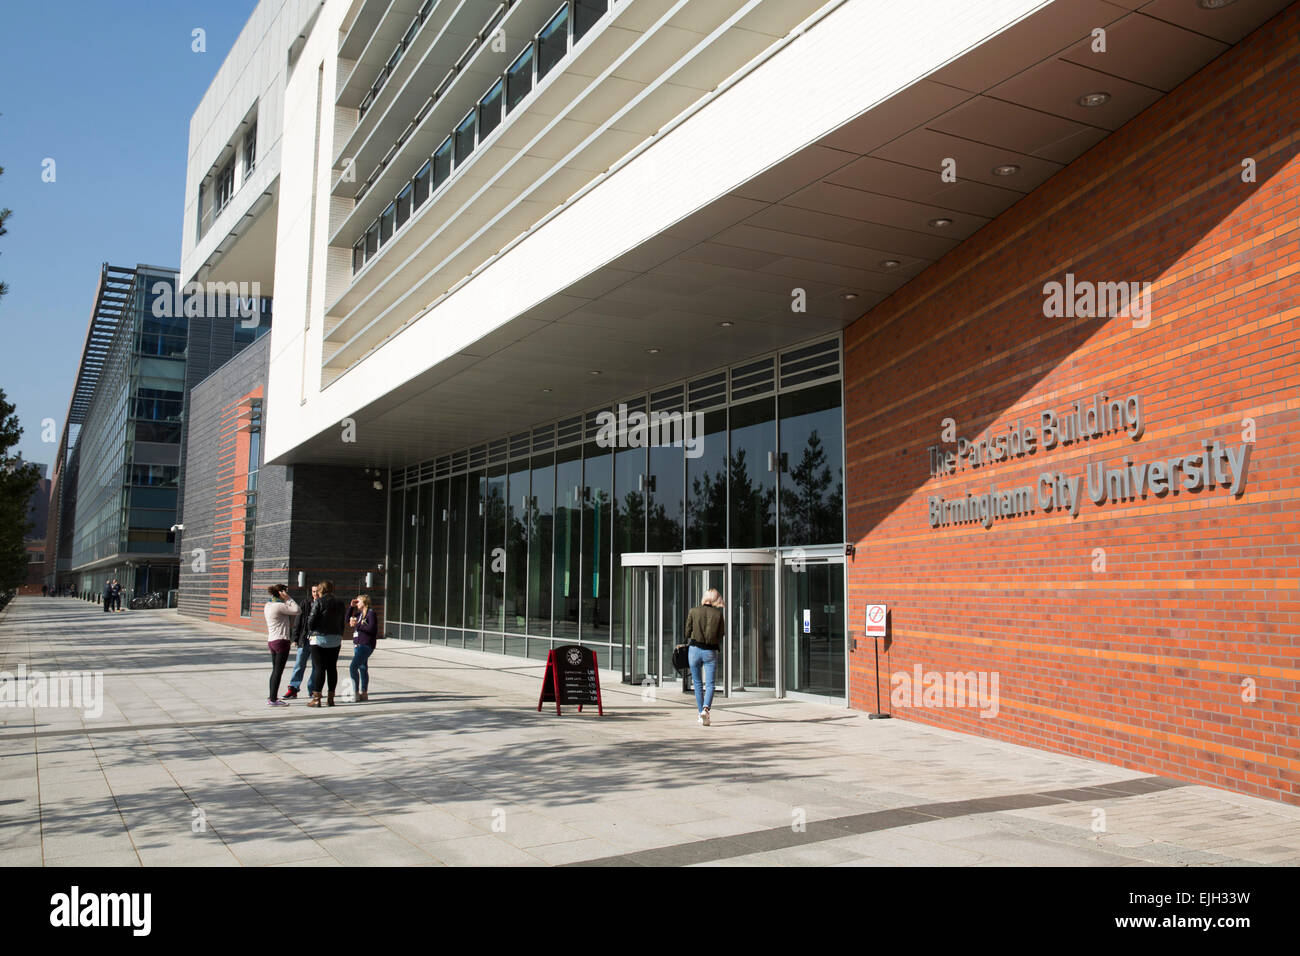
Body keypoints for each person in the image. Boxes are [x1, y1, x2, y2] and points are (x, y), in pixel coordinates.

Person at [684, 588, 725, 726]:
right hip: (710, 651)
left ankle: (700, 712)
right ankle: (706, 709)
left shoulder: (693, 611)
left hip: (694, 650)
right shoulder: (718, 615)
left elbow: (687, 631)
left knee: (697, 684)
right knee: (710, 684)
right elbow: (720, 635)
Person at [306, 580, 347, 707]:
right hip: (335, 638)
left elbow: (311, 621)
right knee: (332, 668)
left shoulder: (319, 601)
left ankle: (317, 698)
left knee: (319, 668)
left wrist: (312, 629)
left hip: (319, 639)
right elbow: (342, 621)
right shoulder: (340, 602)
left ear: (321, 590)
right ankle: (331, 698)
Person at [263, 584, 300, 707]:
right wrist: (288, 598)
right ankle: (273, 699)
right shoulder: (279, 606)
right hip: (281, 641)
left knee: (275, 671)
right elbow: (297, 610)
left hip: (272, 641)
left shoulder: (268, 605)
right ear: (281, 593)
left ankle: (272, 696)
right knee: (278, 672)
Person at [283, 585, 319, 699]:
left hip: (317, 640)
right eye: (313, 591)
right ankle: (293, 688)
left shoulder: (323, 604)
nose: (315, 594)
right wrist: (295, 638)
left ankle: (312, 689)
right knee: (299, 665)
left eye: (317, 591)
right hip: (304, 640)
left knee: (316, 666)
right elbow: (298, 621)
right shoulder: (305, 603)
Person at [347, 595, 377, 702]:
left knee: (353, 667)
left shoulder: (370, 613)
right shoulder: (359, 614)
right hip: (357, 644)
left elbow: (372, 628)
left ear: (364, 602)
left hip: (366, 644)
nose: (357, 603)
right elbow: (347, 619)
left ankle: (355, 692)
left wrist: (358, 625)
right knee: (363, 668)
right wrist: (351, 607)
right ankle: (364, 693)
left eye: (358, 602)